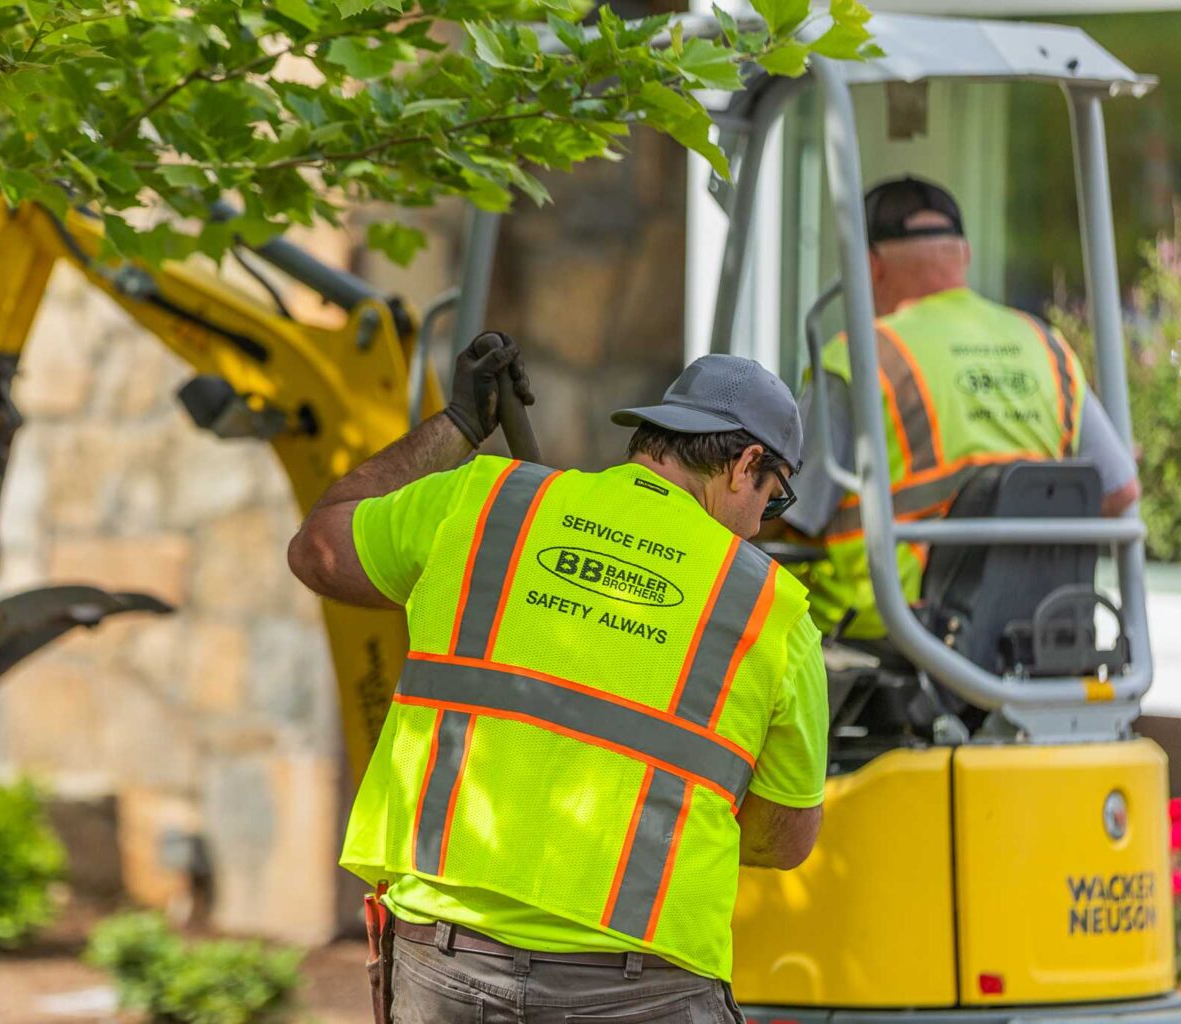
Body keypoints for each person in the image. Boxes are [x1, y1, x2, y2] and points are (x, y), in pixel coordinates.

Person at [289, 336, 828, 1024]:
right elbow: (783, 840)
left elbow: (320, 547)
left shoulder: (483, 502)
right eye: (772, 501)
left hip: (444, 961)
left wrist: (456, 427)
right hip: (645, 988)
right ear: (748, 463)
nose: (759, 528)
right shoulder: (773, 612)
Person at [780, 176, 1140, 640]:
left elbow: (785, 511)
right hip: (1035, 634)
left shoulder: (862, 359)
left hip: (890, 634)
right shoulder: (1043, 346)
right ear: (964, 255)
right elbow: (1120, 490)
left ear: (868, 267)